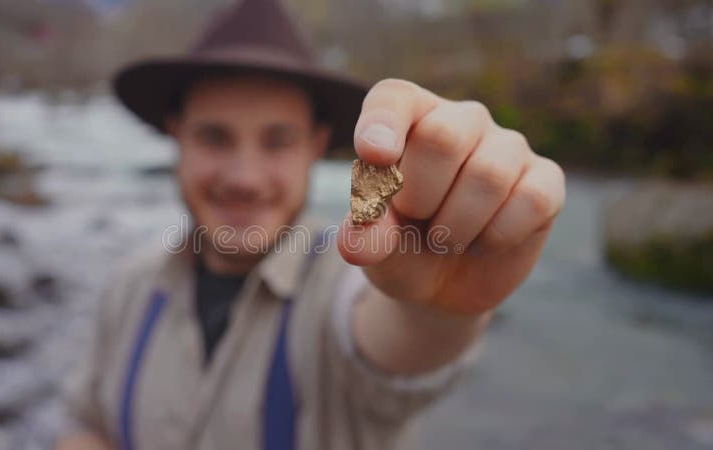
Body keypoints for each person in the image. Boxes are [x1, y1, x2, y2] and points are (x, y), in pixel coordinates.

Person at [56, 0, 565, 449]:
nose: (244, 178)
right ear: (177, 138)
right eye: (215, 137)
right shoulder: (130, 287)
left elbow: (400, 339)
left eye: (277, 141)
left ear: (316, 148)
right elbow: (84, 420)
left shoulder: (348, 281)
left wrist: (439, 310)